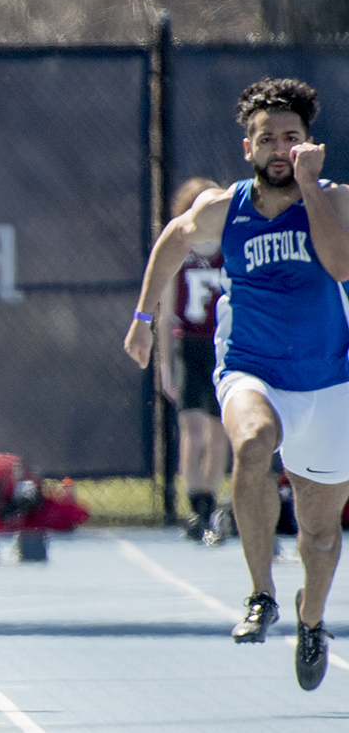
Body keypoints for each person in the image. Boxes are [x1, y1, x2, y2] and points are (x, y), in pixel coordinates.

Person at [125, 77, 349, 691]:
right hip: (251, 366)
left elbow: (339, 265)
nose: (280, 148)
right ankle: (261, 592)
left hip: (329, 380)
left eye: (292, 138)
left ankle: (311, 621)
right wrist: (144, 320)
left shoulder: (335, 200)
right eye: (267, 139)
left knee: (320, 532)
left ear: (309, 144)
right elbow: (172, 242)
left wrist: (309, 188)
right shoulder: (226, 209)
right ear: (248, 147)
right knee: (251, 444)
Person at [154, 177, 231, 541]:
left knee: (220, 435)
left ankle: (212, 505)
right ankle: (195, 508)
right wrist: (166, 366)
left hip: (225, 346)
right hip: (191, 346)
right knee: (193, 431)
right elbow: (165, 313)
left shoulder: (232, 248)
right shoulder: (179, 251)